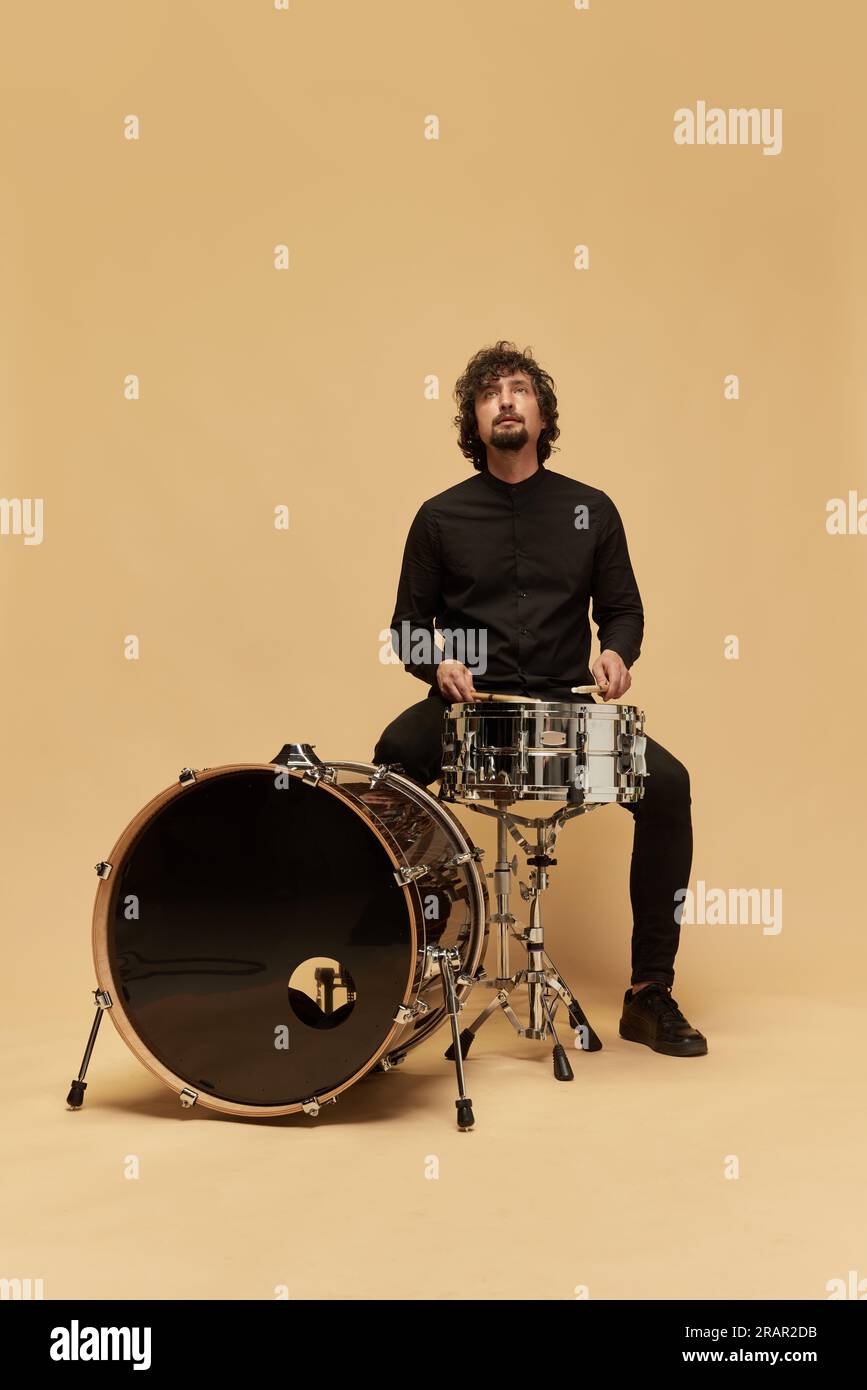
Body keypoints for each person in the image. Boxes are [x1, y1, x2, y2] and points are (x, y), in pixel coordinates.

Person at [372, 340, 707, 1057]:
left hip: (564, 706)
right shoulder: (439, 516)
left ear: (542, 412)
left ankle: (649, 992)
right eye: (489, 391)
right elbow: (408, 629)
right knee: (394, 759)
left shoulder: (592, 508)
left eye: (518, 388)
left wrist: (617, 653)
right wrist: (439, 670)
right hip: (471, 706)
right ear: (473, 417)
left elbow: (623, 610)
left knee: (669, 785)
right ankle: (397, 976)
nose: (504, 400)